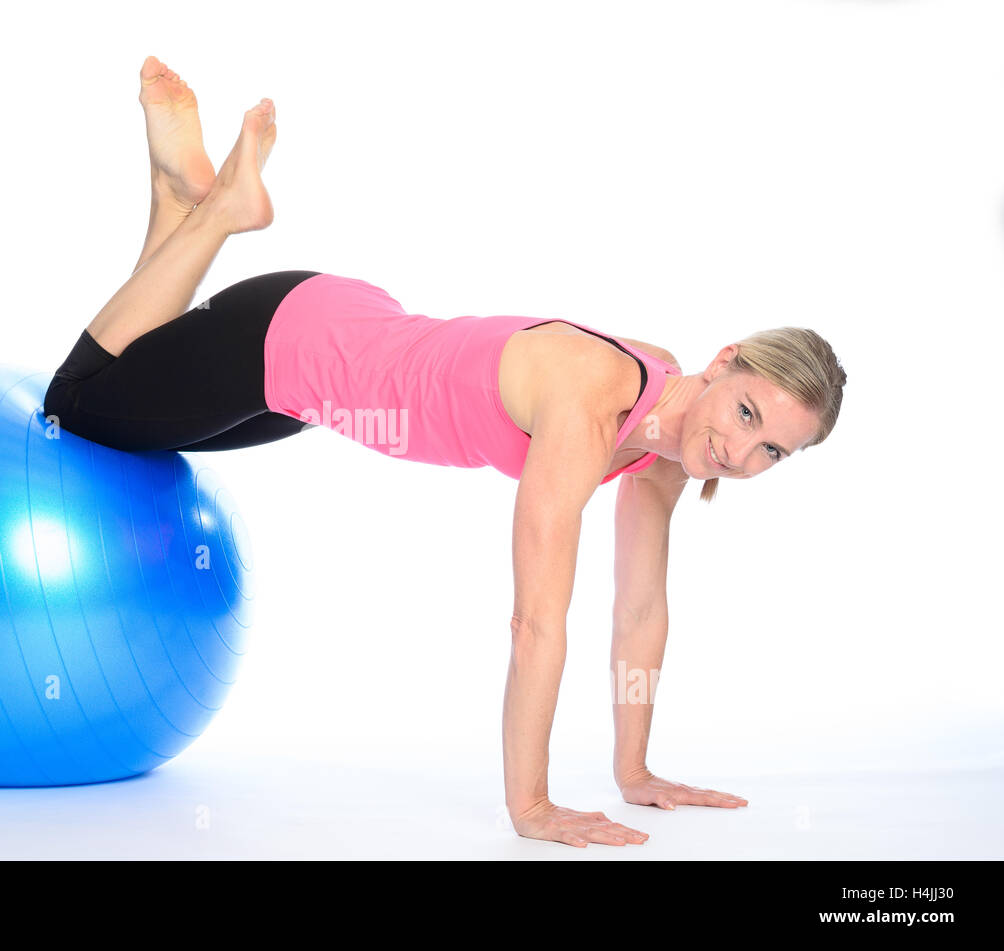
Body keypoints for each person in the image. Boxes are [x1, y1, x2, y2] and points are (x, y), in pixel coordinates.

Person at [43, 56, 847, 848]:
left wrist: (634, 769)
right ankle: (218, 210)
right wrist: (530, 805)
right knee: (76, 407)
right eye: (745, 412)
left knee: (132, 402)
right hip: (290, 342)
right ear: (726, 358)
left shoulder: (669, 437)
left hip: (326, 374)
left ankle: (177, 196)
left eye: (770, 449)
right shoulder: (589, 404)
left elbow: (639, 613)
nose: (737, 451)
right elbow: (536, 622)